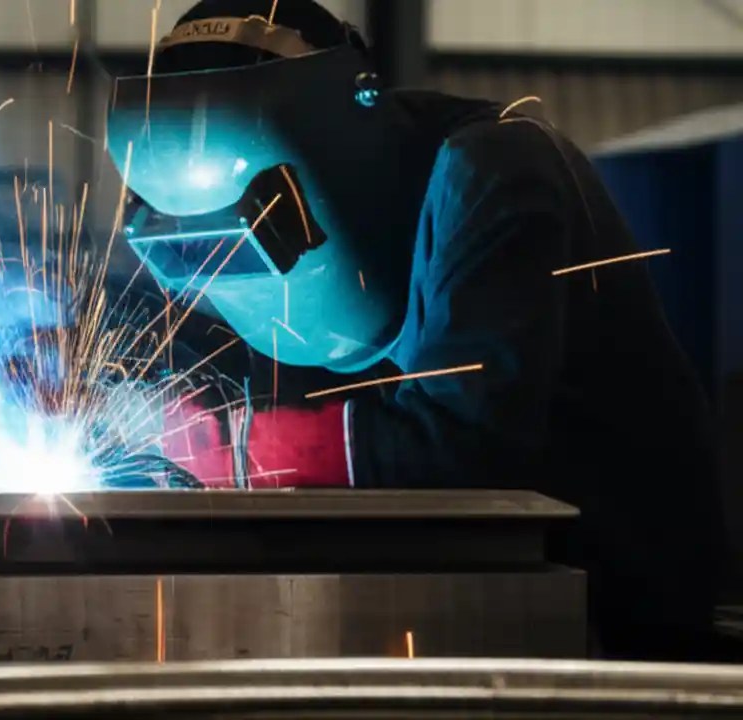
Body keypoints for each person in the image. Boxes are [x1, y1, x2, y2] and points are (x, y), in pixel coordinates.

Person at [109, 0, 727, 661]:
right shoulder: (214, 228)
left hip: (621, 614)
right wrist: (90, 382)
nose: (223, 264)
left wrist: (227, 449)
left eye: (255, 225)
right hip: (440, 599)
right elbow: (195, 365)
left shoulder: (496, 170)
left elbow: (464, 452)